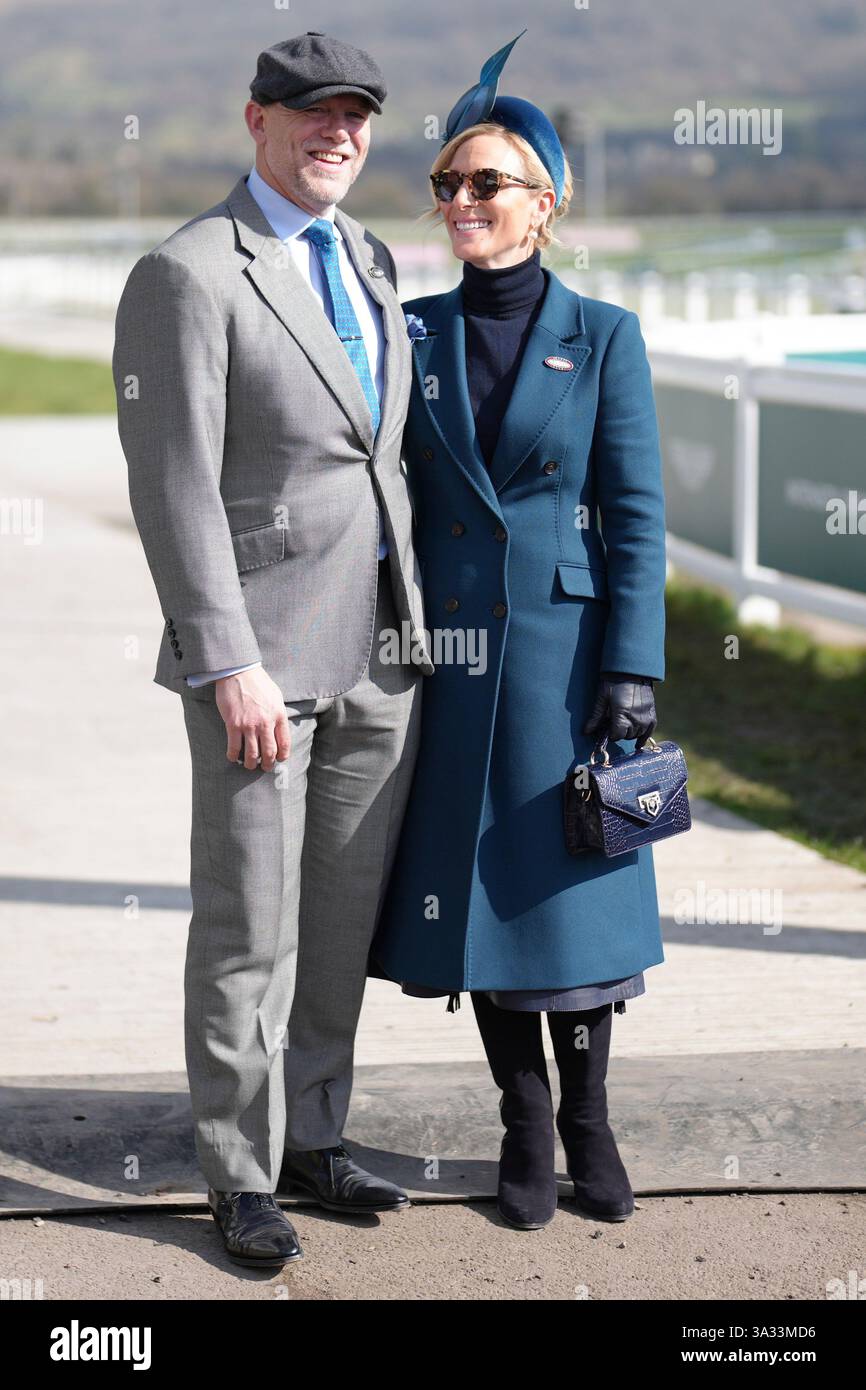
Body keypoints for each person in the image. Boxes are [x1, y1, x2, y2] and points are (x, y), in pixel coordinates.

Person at [113, 31, 432, 1270]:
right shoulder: (188, 272)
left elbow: (374, 453)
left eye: (354, 116)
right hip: (260, 654)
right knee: (249, 926)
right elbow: (175, 483)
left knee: (339, 920)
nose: (336, 133)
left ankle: (313, 1137)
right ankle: (238, 1175)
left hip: (380, 646)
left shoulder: (369, 255)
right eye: (311, 114)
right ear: (257, 120)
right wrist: (222, 658)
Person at [369, 34, 667, 1231]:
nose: (459, 204)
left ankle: (589, 1118)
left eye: (482, 184)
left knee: (569, 893)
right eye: (444, 185)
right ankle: (523, 1121)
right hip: (449, 662)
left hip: (563, 663)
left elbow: (636, 512)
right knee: (477, 890)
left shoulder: (603, 336)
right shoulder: (410, 333)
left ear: (543, 202)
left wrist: (633, 666)